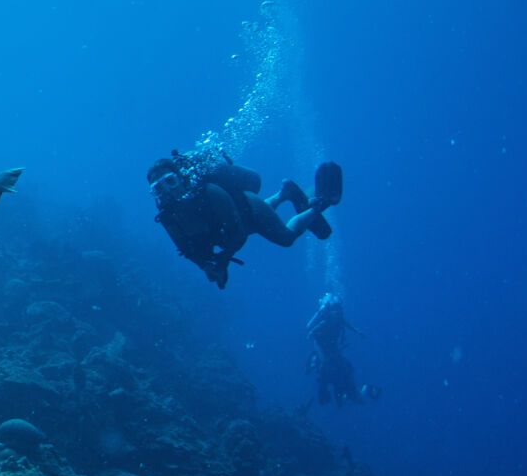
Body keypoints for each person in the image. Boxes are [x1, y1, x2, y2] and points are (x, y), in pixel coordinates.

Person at [148, 148, 341, 288]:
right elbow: (186, 249)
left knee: (286, 237)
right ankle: (284, 193)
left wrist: (223, 261)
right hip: (232, 222)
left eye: (170, 181)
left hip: (249, 207)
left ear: (181, 178)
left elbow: (239, 233)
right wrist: (206, 266)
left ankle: (318, 206)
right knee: (252, 226)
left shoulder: (209, 193)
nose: (168, 191)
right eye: (159, 188)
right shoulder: (168, 218)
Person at [306, 292, 379, 406]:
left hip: (333, 350)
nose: (338, 313)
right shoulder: (327, 321)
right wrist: (311, 334)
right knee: (329, 370)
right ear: (330, 311)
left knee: (342, 372)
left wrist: (358, 331)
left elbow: (347, 325)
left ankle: (354, 393)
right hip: (325, 350)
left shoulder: (339, 319)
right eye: (336, 311)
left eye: (339, 311)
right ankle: (347, 394)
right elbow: (313, 331)